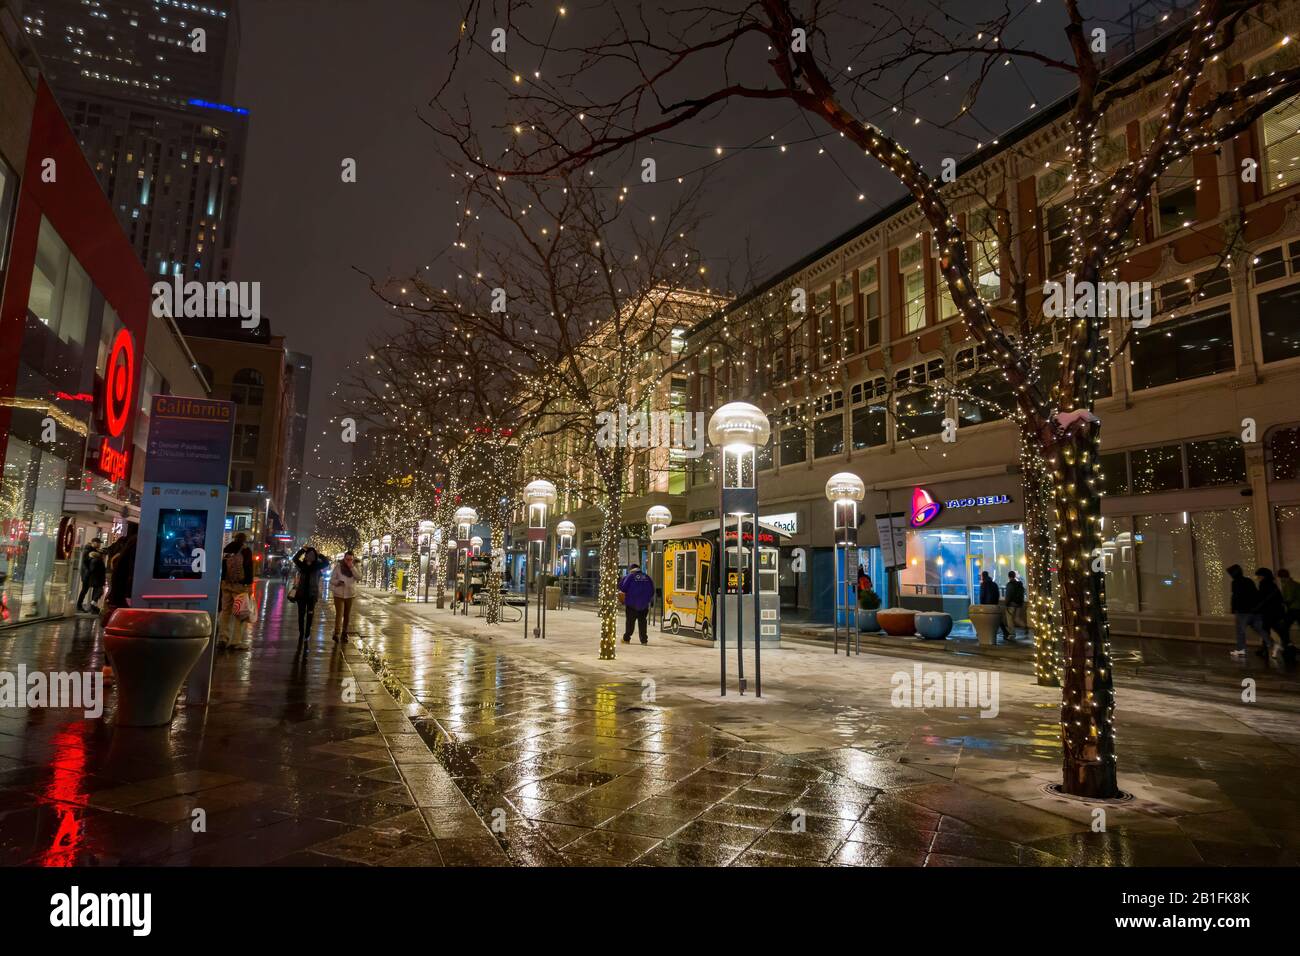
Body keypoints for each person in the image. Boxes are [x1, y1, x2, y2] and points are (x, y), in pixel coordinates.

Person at [218, 532, 254, 650]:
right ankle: (235, 641)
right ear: (244, 540)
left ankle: (223, 638)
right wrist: (248, 583)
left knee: (225, 612)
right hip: (240, 586)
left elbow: (222, 566)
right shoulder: (246, 550)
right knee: (240, 613)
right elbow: (248, 567)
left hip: (226, 584)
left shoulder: (227, 549)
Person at [291, 546, 330, 645]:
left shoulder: (317, 566)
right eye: (309, 554)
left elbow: (326, 562)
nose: (311, 556)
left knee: (310, 615)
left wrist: (319, 553)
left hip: (312, 594)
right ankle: (301, 632)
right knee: (301, 614)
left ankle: (307, 632)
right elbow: (295, 558)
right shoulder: (301, 565)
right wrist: (302, 550)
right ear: (306, 555)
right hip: (301, 594)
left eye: (313, 555)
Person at [1227, 563, 1266, 659]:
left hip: (1242, 610)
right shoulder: (1248, 581)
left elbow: (1235, 597)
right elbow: (1255, 594)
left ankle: (1241, 650)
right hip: (1252, 610)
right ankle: (1273, 644)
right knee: (1259, 629)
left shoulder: (1235, 583)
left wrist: (1233, 608)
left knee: (1240, 632)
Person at [1255, 567, 1294, 664]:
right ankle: (1289, 649)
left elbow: (1261, 599)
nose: (1258, 578)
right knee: (1280, 632)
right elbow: (1279, 599)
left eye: (1259, 576)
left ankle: (1265, 648)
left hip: (1269, 613)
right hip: (1277, 613)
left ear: (1263, 576)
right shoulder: (1273, 585)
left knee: (1267, 631)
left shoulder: (1263, 585)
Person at [100, 531, 137, 626]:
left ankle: (105, 611)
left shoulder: (122, 553)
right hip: (124, 592)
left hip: (119, 587)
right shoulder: (133, 548)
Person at [618, 562, 655, 645]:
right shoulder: (647, 577)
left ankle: (626, 639)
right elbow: (652, 590)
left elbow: (622, 588)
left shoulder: (630, 576)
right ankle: (644, 640)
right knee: (642, 622)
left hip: (632, 603)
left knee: (630, 622)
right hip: (644, 605)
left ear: (631, 569)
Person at [330, 550, 358, 643]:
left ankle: (344, 633)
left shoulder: (355, 567)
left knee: (347, 615)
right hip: (339, 594)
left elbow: (359, 577)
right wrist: (338, 582)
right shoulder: (338, 567)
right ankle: (336, 633)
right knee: (339, 613)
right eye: (347, 559)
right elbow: (332, 579)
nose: (348, 561)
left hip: (350, 594)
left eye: (350, 559)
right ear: (344, 558)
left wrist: (352, 568)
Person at [76, 538, 104, 612]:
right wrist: (88, 572)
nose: (99, 544)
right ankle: (79, 605)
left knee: (89, 590)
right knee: (85, 590)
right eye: (98, 543)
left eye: (99, 543)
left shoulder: (93, 550)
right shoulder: (88, 550)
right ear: (93, 542)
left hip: (90, 574)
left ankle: (91, 606)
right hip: (87, 575)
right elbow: (85, 563)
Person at [1003, 570, 1026, 642]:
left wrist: (1006, 603)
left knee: (1009, 619)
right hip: (1019, 604)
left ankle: (1012, 633)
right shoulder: (1019, 584)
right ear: (1014, 576)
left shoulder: (1009, 584)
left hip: (1011, 605)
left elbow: (1008, 595)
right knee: (1017, 618)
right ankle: (1025, 627)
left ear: (1009, 576)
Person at [1279, 569, 1300, 634]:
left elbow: (1289, 598)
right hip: (1298, 608)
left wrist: (1283, 602)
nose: (1280, 580)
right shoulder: (1296, 584)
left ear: (1282, 577)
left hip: (1293, 608)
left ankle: (1287, 643)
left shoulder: (1288, 585)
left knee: (1284, 626)